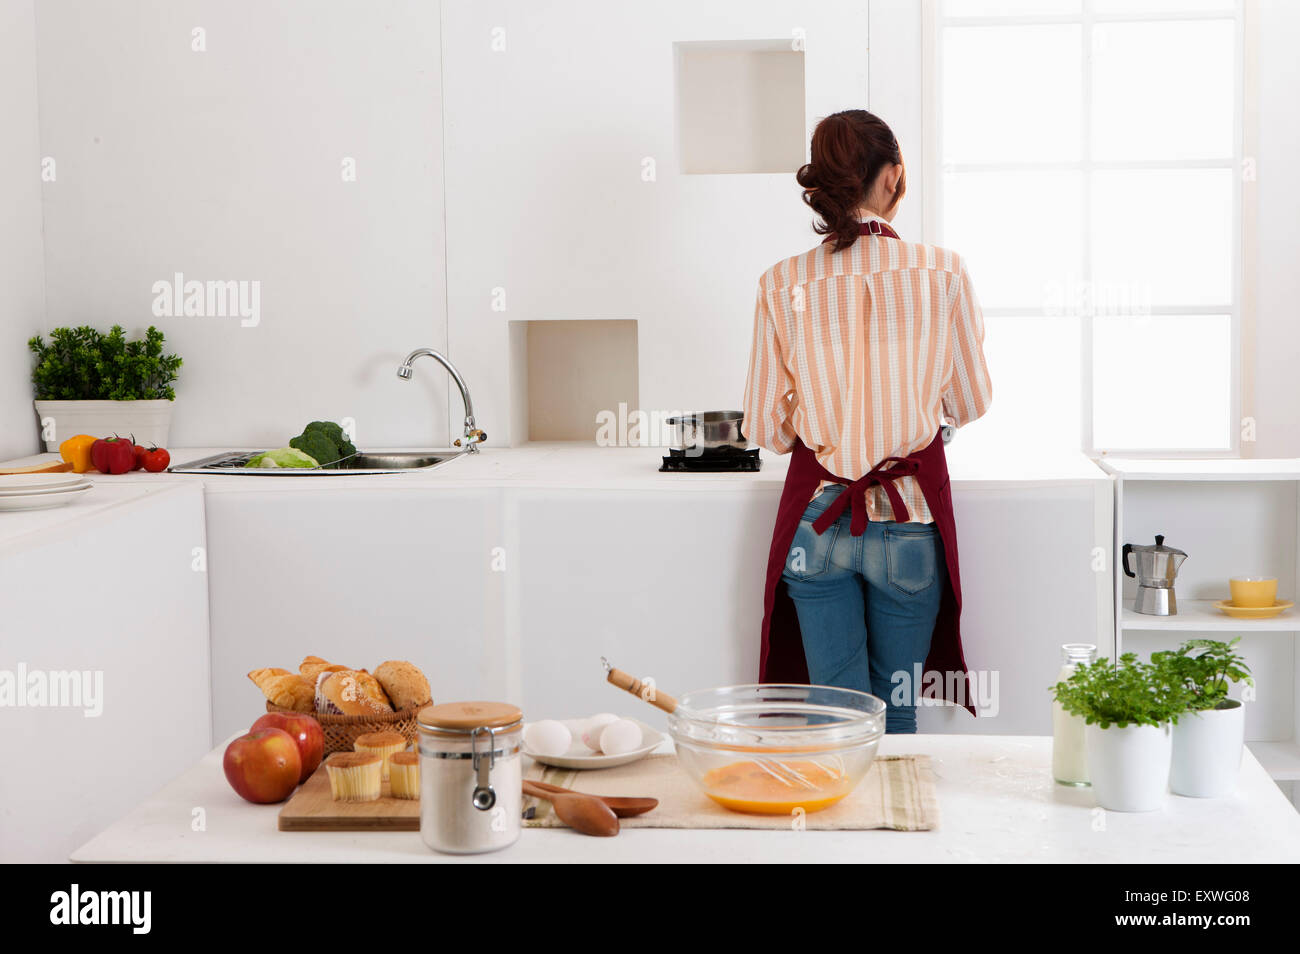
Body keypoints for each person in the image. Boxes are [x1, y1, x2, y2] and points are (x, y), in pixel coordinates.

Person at [744, 109, 992, 733]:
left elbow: (766, 429)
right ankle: (896, 821)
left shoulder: (781, 282)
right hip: (908, 523)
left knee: (836, 717)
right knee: (896, 710)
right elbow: (969, 401)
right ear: (893, 177)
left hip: (818, 526)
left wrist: (827, 415)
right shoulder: (944, 272)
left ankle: (839, 826)